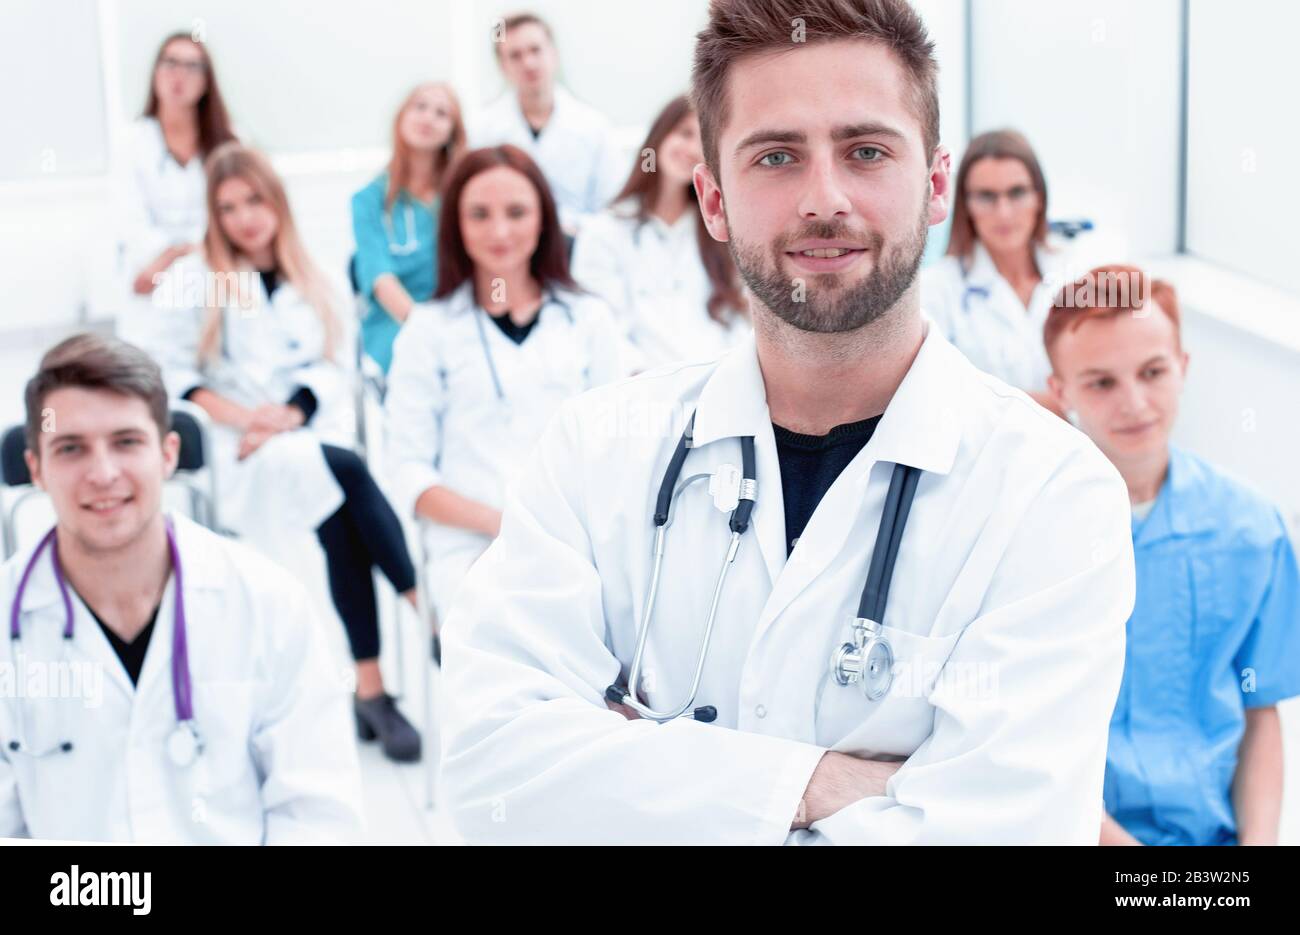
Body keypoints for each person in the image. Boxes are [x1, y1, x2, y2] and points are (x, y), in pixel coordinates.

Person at [436, 0, 1135, 844]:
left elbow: (1008, 832)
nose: (824, 199)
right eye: (776, 156)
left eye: (867, 151)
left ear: (937, 183)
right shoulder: (593, 453)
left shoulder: (1054, 497)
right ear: (714, 198)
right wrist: (810, 781)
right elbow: (487, 779)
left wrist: (641, 770)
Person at [0, 334, 363, 843]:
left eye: (126, 442)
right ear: (35, 468)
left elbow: (318, 818)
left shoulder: (268, 603)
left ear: (168, 454)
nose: (103, 473)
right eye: (70, 448)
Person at [131, 143, 423, 763]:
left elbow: (335, 366)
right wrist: (252, 420)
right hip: (237, 451)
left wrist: (291, 414)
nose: (245, 217)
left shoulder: (311, 277)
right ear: (215, 214)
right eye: (228, 206)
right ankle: (426, 612)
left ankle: (370, 689)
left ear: (276, 203)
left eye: (255, 200)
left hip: (300, 437)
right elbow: (174, 377)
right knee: (344, 474)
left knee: (340, 506)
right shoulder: (196, 279)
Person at [1044, 265, 1300, 846]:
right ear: (1060, 391)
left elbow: (1261, 712)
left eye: (1153, 372)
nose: (1134, 403)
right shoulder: (1024, 534)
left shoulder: (1253, 531)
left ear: (1183, 368)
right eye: (1101, 383)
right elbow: (1019, 734)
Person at [385, 145, 626, 626]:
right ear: (455, 225)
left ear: (543, 220)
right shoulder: (428, 331)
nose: (499, 231)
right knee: (505, 630)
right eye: (479, 214)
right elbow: (409, 472)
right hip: (471, 547)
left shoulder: (588, 319)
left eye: (516, 212)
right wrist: (507, 527)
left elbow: (618, 447)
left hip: (578, 540)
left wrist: (562, 533)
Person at [572, 94, 748, 370]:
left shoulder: (722, 230)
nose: (692, 148)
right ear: (660, 135)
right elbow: (602, 327)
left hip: (716, 382)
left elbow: (740, 320)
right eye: (685, 133)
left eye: (704, 141)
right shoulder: (605, 231)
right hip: (640, 389)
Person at [920, 130, 1063, 409]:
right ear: (966, 206)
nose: (1004, 212)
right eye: (986, 196)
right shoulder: (935, 291)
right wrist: (1059, 407)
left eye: (1017, 192)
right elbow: (938, 397)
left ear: (1039, 198)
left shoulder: (1076, 276)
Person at [468, 11, 624, 236]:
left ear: (553, 53)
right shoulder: (481, 129)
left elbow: (613, 206)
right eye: (515, 55)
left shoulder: (594, 127)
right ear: (502, 66)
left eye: (535, 50)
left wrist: (574, 229)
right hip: (505, 248)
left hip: (576, 249)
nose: (528, 63)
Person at [351, 82, 467, 374]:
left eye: (441, 113)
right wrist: (426, 334)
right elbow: (380, 279)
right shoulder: (367, 201)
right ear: (402, 116)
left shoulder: (464, 195)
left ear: (453, 131)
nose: (428, 117)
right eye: (420, 107)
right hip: (397, 321)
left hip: (460, 315)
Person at [113, 32, 238, 300]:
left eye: (193, 66)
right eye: (170, 63)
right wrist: (170, 255)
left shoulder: (230, 143)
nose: (179, 75)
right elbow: (131, 222)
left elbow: (236, 217)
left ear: (207, 80)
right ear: (155, 72)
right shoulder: (132, 143)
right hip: (151, 280)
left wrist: (183, 253)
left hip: (216, 276)